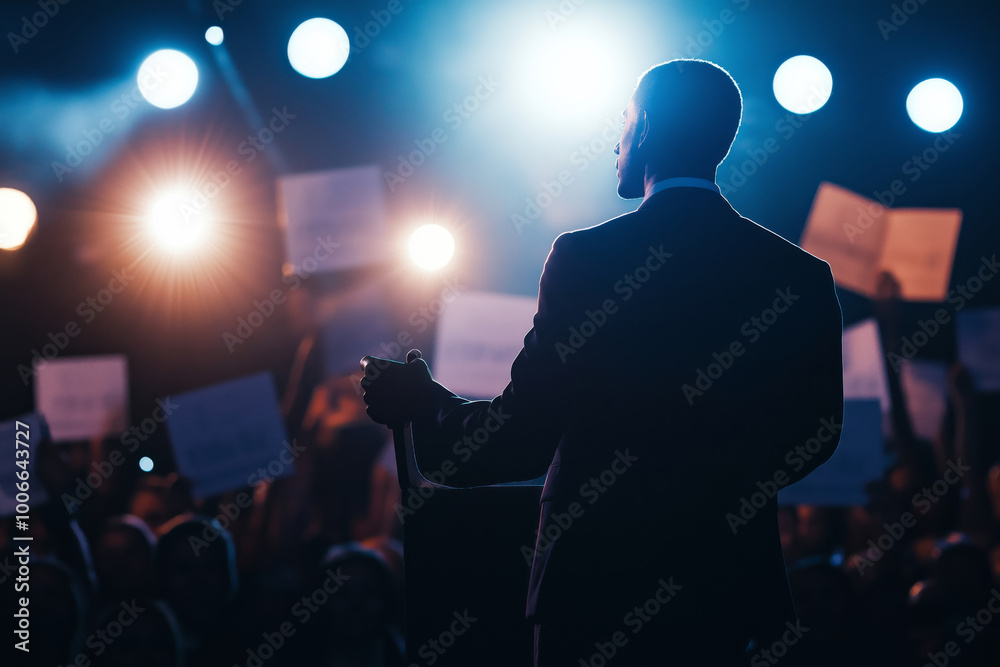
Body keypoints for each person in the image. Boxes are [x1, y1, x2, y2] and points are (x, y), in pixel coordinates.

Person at [360, 58, 844, 665]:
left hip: (593, 591)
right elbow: (817, 433)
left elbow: (524, 434)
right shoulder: (797, 274)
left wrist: (425, 407)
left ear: (642, 132)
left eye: (624, 120)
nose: (615, 140)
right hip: (730, 592)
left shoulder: (587, 260)